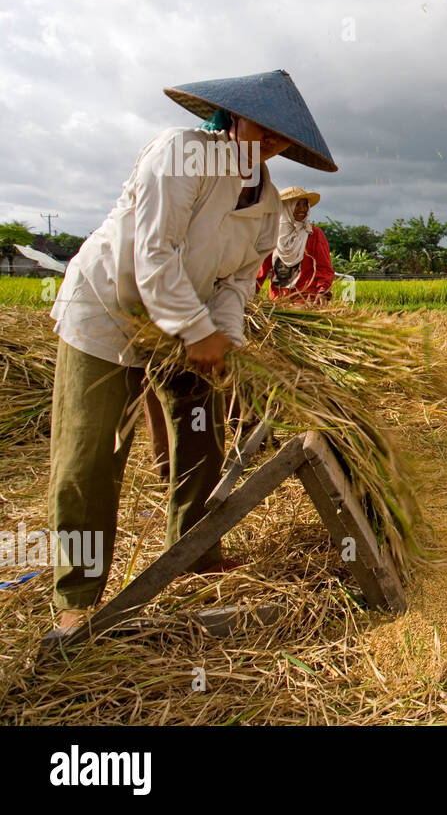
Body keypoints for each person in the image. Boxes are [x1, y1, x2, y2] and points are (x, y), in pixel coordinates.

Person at [46, 69, 337, 633]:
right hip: (109, 312)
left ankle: (195, 551)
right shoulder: (182, 154)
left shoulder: (270, 200)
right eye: (264, 126)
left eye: (284, 136)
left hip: (191, 321)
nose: (273, 140)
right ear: (233, 115)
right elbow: (153, 252)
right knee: (89, 455)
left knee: (201, 436)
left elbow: (237, 281)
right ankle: (77, 598)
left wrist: (223, 336)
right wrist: (194, 328)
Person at [257, 187, 335, 302]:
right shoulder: (273, 235)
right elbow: (261, 269)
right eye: (297, 205)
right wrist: (247, 293)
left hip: (307, 300)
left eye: (305, 205)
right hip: (278, 301)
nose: (302, 209)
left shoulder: (313, 234)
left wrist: (323, 291)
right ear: (285, 207)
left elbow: (324, 267)